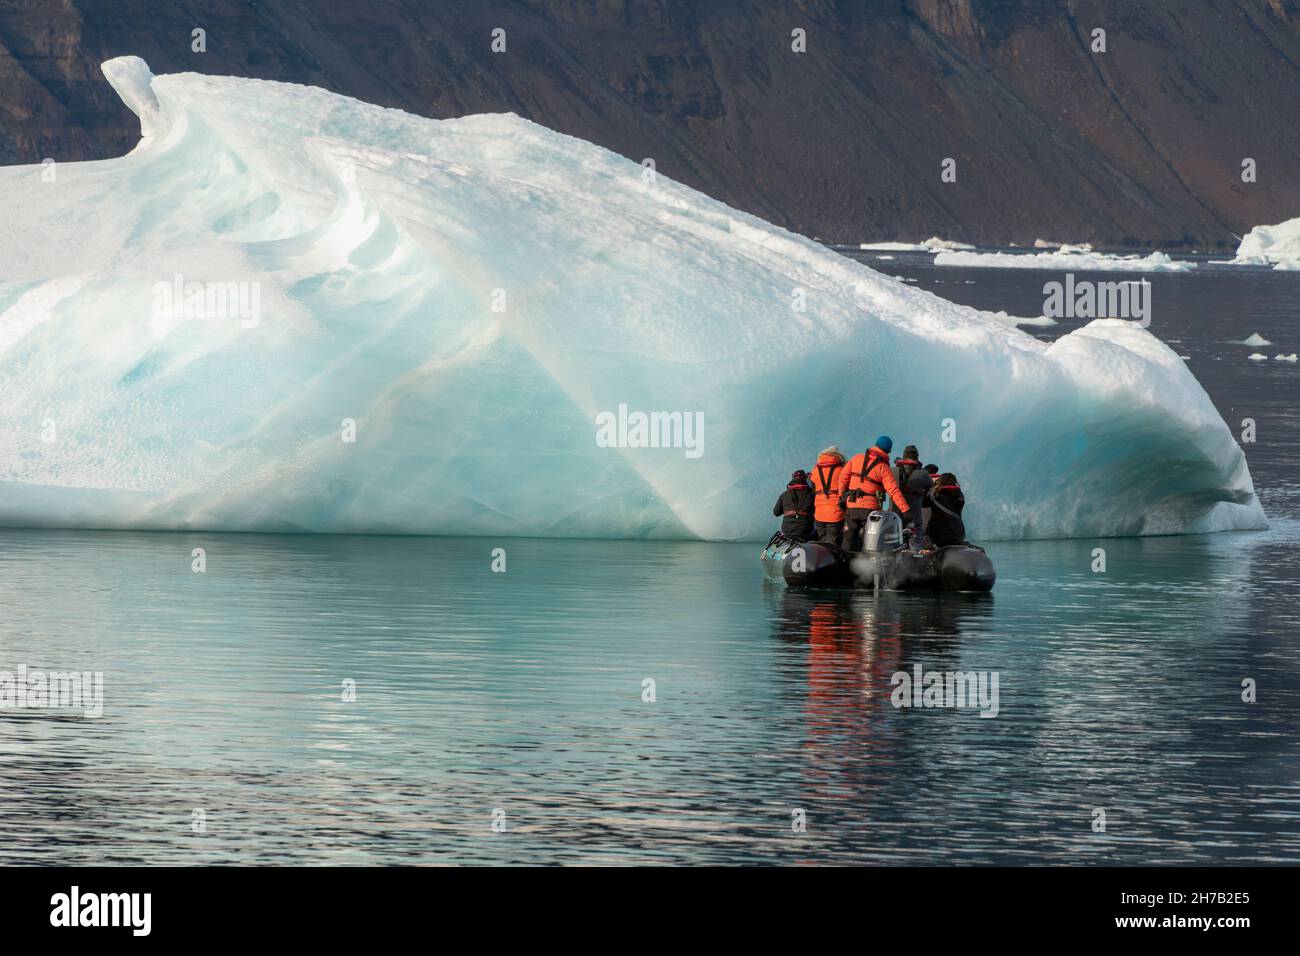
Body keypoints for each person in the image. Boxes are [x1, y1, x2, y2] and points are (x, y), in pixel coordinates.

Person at [837, 436, 914, 550]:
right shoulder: (883, 467)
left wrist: (841, 496)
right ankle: (865, 565)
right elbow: (893, 490)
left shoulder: (856, 458)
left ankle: (843, 564)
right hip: (870, 509)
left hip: (852, 506)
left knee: (848, 539)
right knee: (869, 541)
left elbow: (842, 477)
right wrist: (905, 510)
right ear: (888, 451)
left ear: (876, 445)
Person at [808, 446, 847, 547]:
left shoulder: (815, 471)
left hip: (819, 512)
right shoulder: (842, 470)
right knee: (833, 544)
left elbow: (813, 492)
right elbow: (845, 491)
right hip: (835, 512)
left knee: (822, 542)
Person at [773, 470, 816, 542]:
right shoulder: (812, 495)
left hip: (786, 531)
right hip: (805, 532)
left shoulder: (784, 495)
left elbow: (776, 512)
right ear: (805, 479)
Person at [926, 472, 966, 546]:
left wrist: (930, 488)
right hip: (959, 534)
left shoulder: (935, 494)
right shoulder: (959, 494)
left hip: (940, 536)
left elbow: (924, 503)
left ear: (940, 481)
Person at [894, 445, 933, 519]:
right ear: (917, 457)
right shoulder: (923, 473)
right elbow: (931, 486)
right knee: (918, 528)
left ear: (904, 455)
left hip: (896, 512)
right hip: (914, 513)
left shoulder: (894, 471)